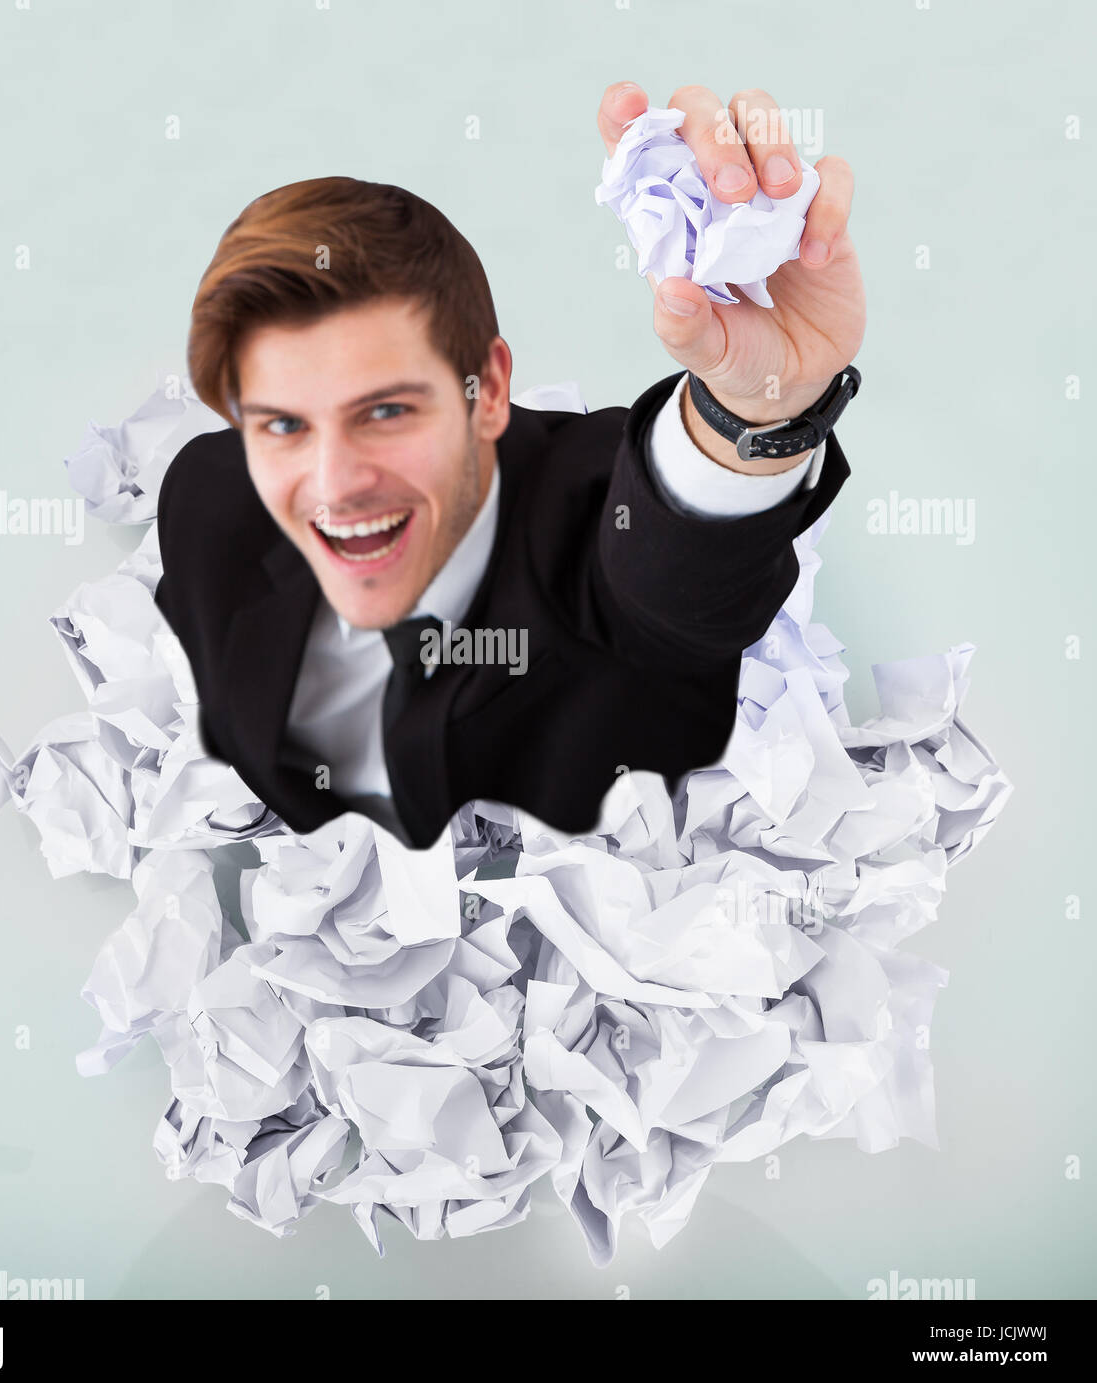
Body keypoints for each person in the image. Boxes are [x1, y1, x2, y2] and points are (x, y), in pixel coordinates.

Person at [152, 81, 867, 850]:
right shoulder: (209, 503)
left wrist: (758, 406)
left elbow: (670, 581)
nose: (335, 483)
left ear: (487, 391)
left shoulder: (594, 514)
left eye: (386, 412)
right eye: (284, 424)